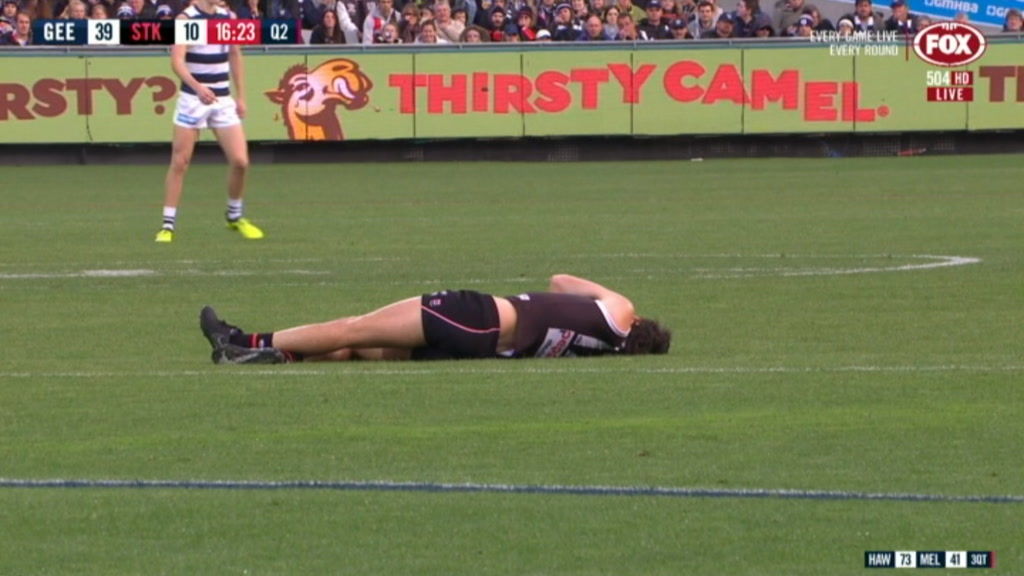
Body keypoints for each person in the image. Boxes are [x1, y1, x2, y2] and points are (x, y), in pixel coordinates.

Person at [199, 274, 672, 364]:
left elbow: (562, 278)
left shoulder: (619, 313)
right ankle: (281, 356)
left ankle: (243, 340)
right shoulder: (603, 349)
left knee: (357, 325)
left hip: (481, 315)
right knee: (371, 348)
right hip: (484, 347)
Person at [156, 0, 264, 243]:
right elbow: (177, 61)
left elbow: (235, 54)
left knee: (240, 161)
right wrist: (197, 87)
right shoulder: (186, 19)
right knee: (180, 162)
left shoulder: (228, 17)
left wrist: (241, 96)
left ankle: (234, 216)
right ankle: (167, 225)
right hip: (193, 100)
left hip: (222, 99)